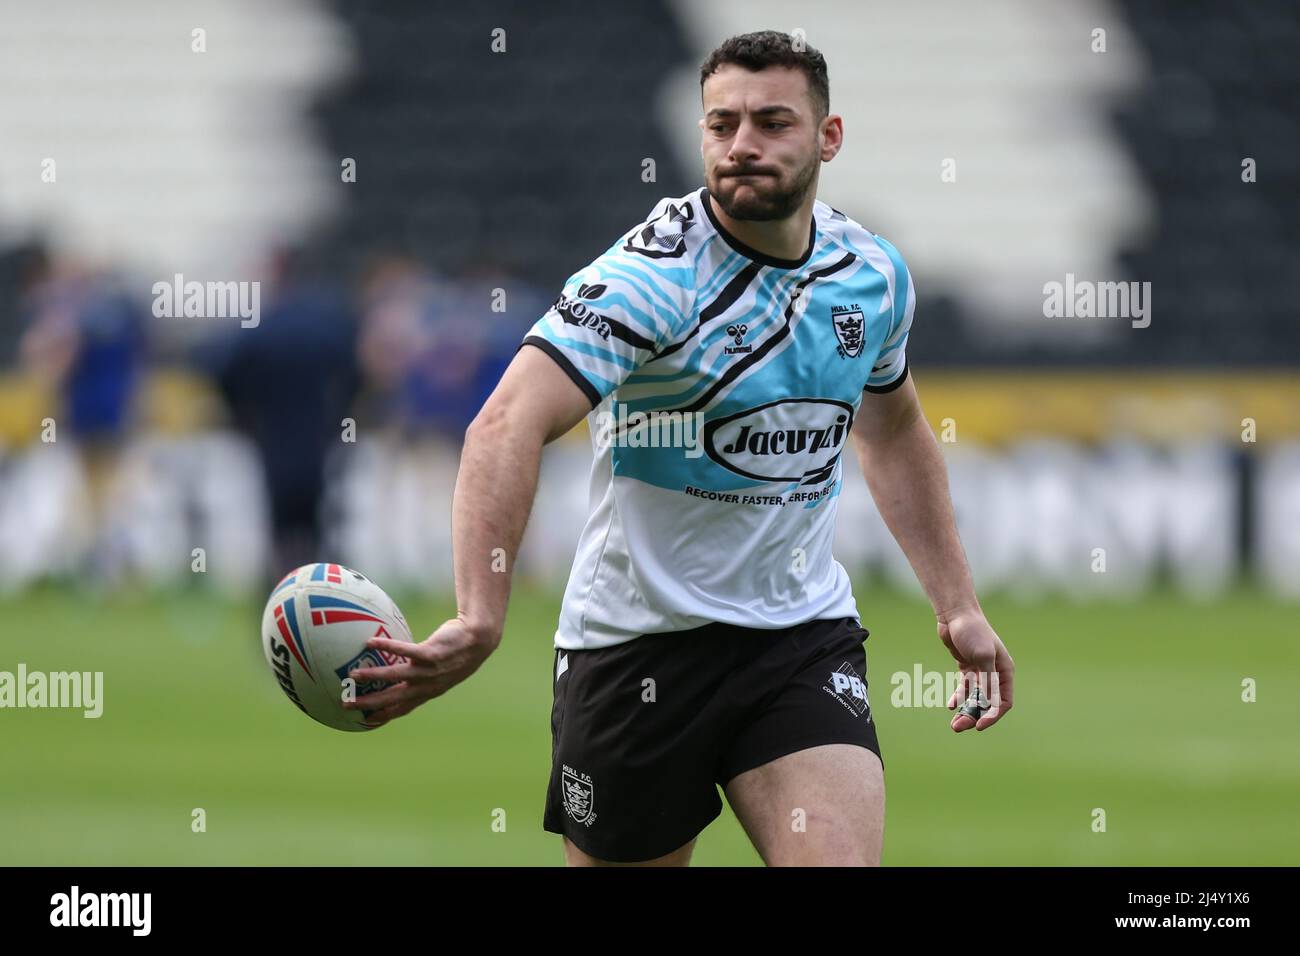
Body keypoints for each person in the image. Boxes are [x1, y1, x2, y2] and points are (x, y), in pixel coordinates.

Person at [345, 30, 1015, 867]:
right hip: (635, 650)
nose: (743, 145)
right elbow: (504, 424)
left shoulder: (871, 275)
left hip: (798, 638)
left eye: (773, 122)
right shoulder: (649, 278)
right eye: (722, 124)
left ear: (828, 137)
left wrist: (957, 604)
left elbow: (894, 427)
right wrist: (479, 616)